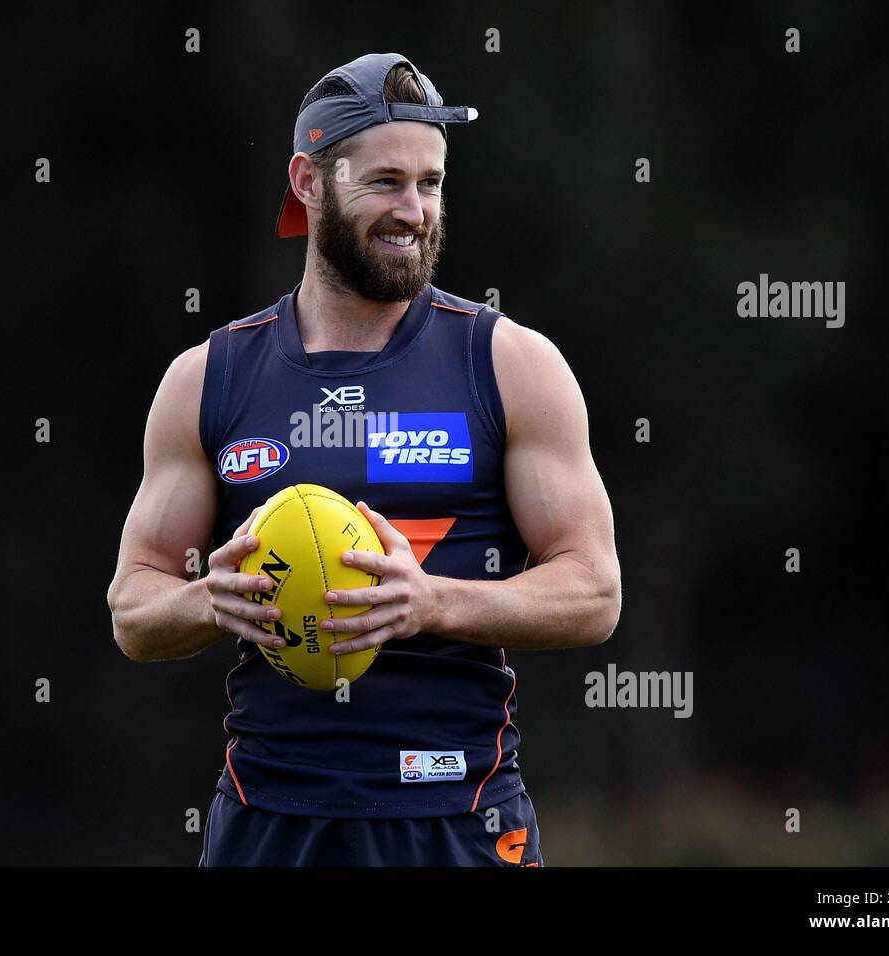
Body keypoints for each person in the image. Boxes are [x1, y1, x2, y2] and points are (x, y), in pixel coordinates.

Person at [107, 52, 621, 866]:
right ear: (309, 181)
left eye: (432, 183)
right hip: (271, 817)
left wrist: (433, 603)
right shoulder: (209, 378)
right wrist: (213, 603)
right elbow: (133, 608)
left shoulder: (512, 366)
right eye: (385, 182)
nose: (414, 210)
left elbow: (594, 592)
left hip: (456, 815)